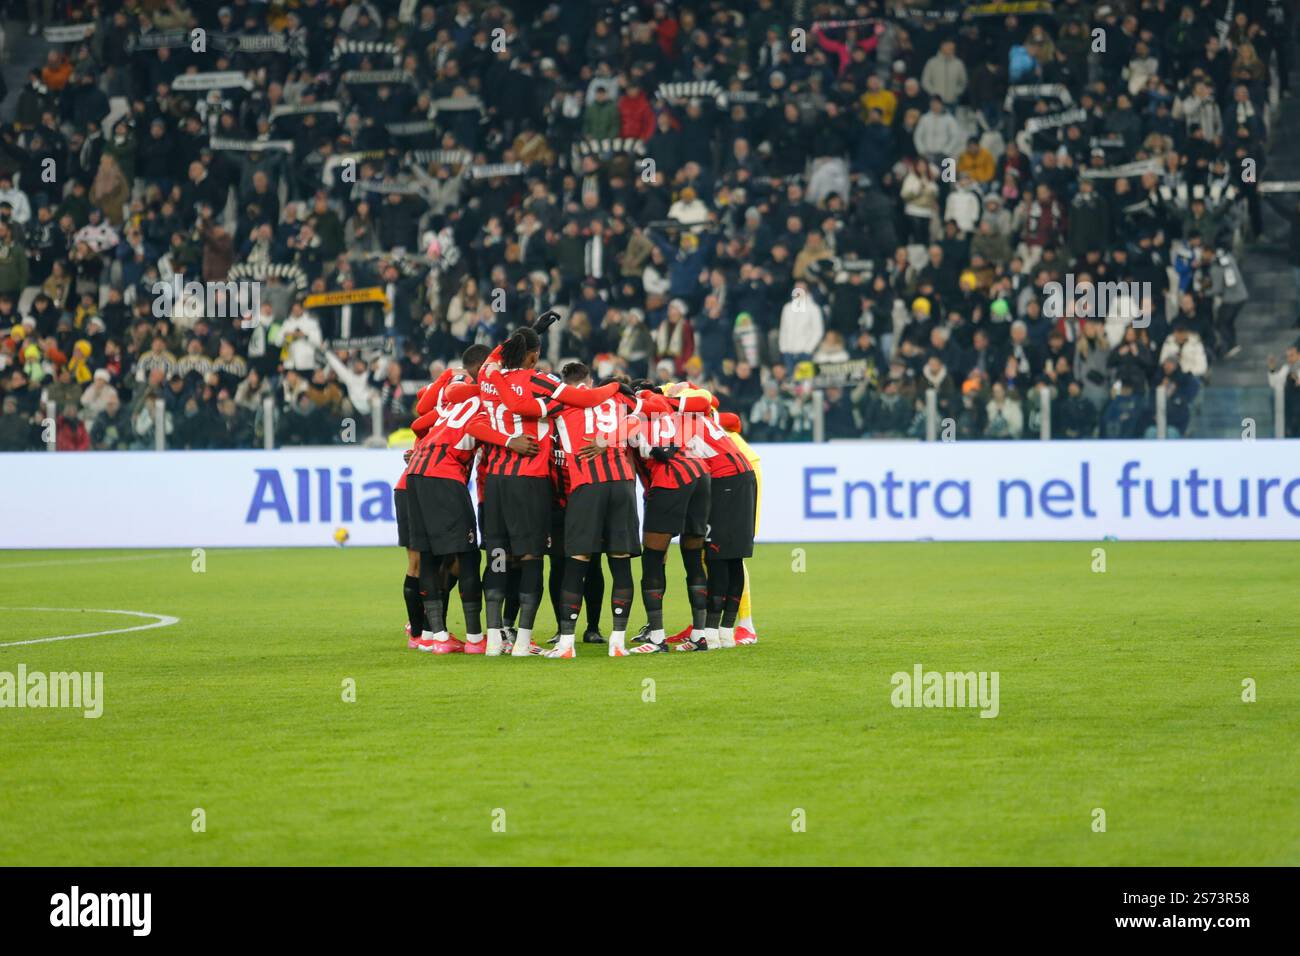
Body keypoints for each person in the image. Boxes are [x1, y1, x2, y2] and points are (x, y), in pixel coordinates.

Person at [545, 363, 666, 657]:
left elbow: (525, 409)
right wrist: (611, 436)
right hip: (622, 485)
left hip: (586, 486)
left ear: (566, 382)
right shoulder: (618, 398)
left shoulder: (560, 401)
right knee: (620, 563)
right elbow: (653, 411)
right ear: (590, 379)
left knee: (576, 563)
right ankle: (617, 643)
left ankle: (566, 644)